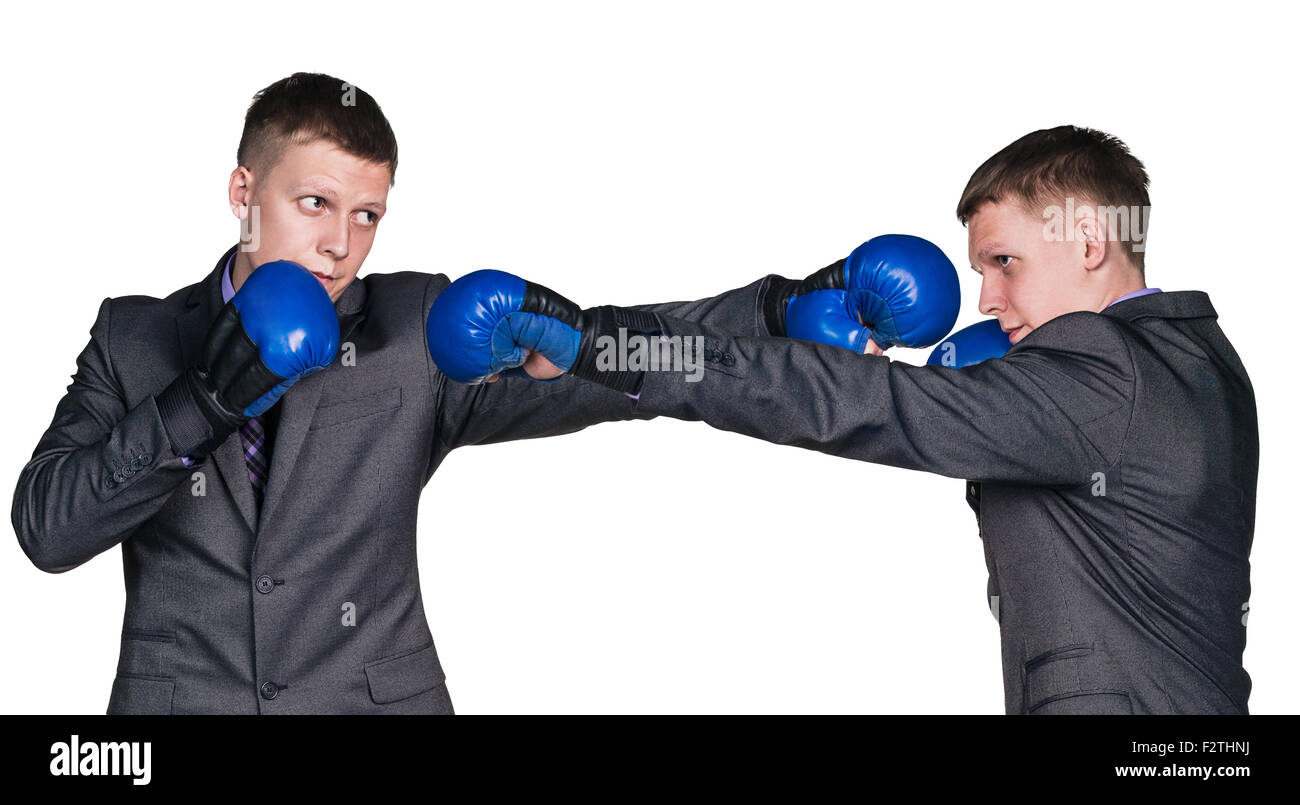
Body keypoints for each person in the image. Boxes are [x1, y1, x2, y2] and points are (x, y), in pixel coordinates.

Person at [10, 71, 957, 714]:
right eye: (314, 204)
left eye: (368, 213)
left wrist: (775, 312)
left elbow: (591, 362)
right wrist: (205, 400)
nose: (342, 244)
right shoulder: (134, 334)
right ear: (242, 191)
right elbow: (47, 531)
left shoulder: (410, 329)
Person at [436, 125, 1258, 714]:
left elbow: (864, 407)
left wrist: (601, 346)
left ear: (1088, 240)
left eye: (1004, 262)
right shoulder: (1199, 361)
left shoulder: (1102, 374)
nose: (987, 300)